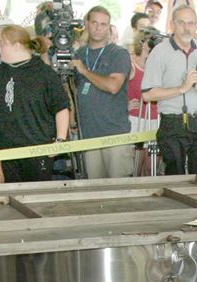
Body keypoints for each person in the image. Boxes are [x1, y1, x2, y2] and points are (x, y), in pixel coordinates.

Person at [0, 25, 69, 182]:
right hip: (2, 149)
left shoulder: (45, 74)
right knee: (6, 198)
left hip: (38, 149)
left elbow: (61, 107)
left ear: (17, 46)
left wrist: (60, 140)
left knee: (36, 198)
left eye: (2, 44)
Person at [141, 4, 197, 178]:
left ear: (196, 25)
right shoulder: (159, 52)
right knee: (177, 180)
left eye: (191, 23)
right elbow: (147, 94)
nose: (186, 28)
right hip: (172, 124)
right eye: (182, 22)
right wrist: (181, 88)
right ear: (173, 24)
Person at [71, 6, 132, 179]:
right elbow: (72, 90)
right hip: (88, 133)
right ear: (86, 24)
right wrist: (72, 119)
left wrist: (84, 71)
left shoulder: (118, 53)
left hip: (114, 134)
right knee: (92, 190)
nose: (98, 28)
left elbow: (114, 86)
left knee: (117, 189)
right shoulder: (79, 54)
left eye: (103, 24)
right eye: (95, 23)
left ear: (109, 27)